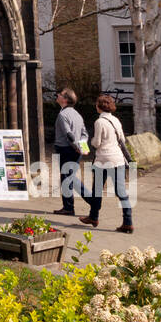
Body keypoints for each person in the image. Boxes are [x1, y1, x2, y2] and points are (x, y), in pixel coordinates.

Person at [82, 94, 134, 233]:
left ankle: (94, 217)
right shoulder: (116, 120)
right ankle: (128, 222)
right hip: (118, 159)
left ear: (99, 107)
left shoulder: (99, 122)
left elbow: (97, 143)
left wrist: (90, 142)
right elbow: (122, 138)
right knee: (121, 192)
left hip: (103, 160)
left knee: (97, 190)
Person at [52, 86, 90, 216]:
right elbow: (84, 133)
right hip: (75, 151)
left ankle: (90, 201)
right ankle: (69, 207)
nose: (58, 95)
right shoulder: (77, 114)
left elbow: (69, 135)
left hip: (66, 150)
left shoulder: (63, 115)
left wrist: (77, 147)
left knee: (67, 179)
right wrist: (83, 148)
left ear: (65, 99)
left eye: (60, 94)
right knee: (69, 178)